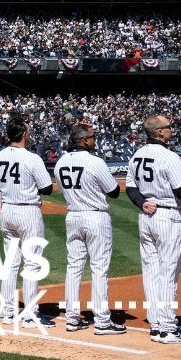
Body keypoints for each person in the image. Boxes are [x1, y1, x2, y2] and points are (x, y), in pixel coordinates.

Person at [127, 114, 181, 344]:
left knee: (151, 271)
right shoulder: (169, 156)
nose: (172, 129)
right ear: (159, 132)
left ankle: (156, 323)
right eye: (169, 127)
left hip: (146, 215)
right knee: (168, 273)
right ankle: (167, 328)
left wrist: (142, 202)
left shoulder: (137, 155)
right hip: (168, 216)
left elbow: (130, 188)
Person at [56, 122, 125, 335]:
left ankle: (72, 318)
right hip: (94, 216)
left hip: (73, 215)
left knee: (73, 267)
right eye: (92, 137)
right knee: (99, 268)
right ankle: (103, 321)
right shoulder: (95, 161)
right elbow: (114, 191)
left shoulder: (60, 162)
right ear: (84, 141)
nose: (95, 140)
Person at [0, 114, 55, 327]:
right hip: (27, 212)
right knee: (32, 263)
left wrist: (2, 191)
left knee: (11, 263)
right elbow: (46, 188)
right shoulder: (32, 158)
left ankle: (8, 311)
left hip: (7, 211)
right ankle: (30, 314)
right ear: (24, 134)